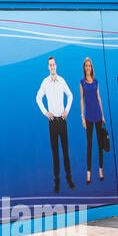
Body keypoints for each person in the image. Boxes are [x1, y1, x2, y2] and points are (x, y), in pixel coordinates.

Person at [35, 55, 74, 192]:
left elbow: (70, 95)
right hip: (52, 123)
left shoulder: (61, 81)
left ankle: (69, 178)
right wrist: (46, 112)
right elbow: (38, 98)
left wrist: (67, 110)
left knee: (65, 152)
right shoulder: (45, 83)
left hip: (62, 120)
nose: (52, 67)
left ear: (56, 66)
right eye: (50, 65)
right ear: (48, 67)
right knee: (55, 153)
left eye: (54, 64)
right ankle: (57, 181)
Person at [78, 57, 106, 184]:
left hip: (98, 115)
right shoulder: (82, 82)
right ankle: (88, 172)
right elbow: (82, 99)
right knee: (89, 145)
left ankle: (100, 169)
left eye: (89, 66)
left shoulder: (96, 82)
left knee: (100, 144)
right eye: (86, 66)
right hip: (88, 116)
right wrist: (82, 116)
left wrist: (103, 115)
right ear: (84, 68)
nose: (88, 68)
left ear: (91, 68)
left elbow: (99, 97)